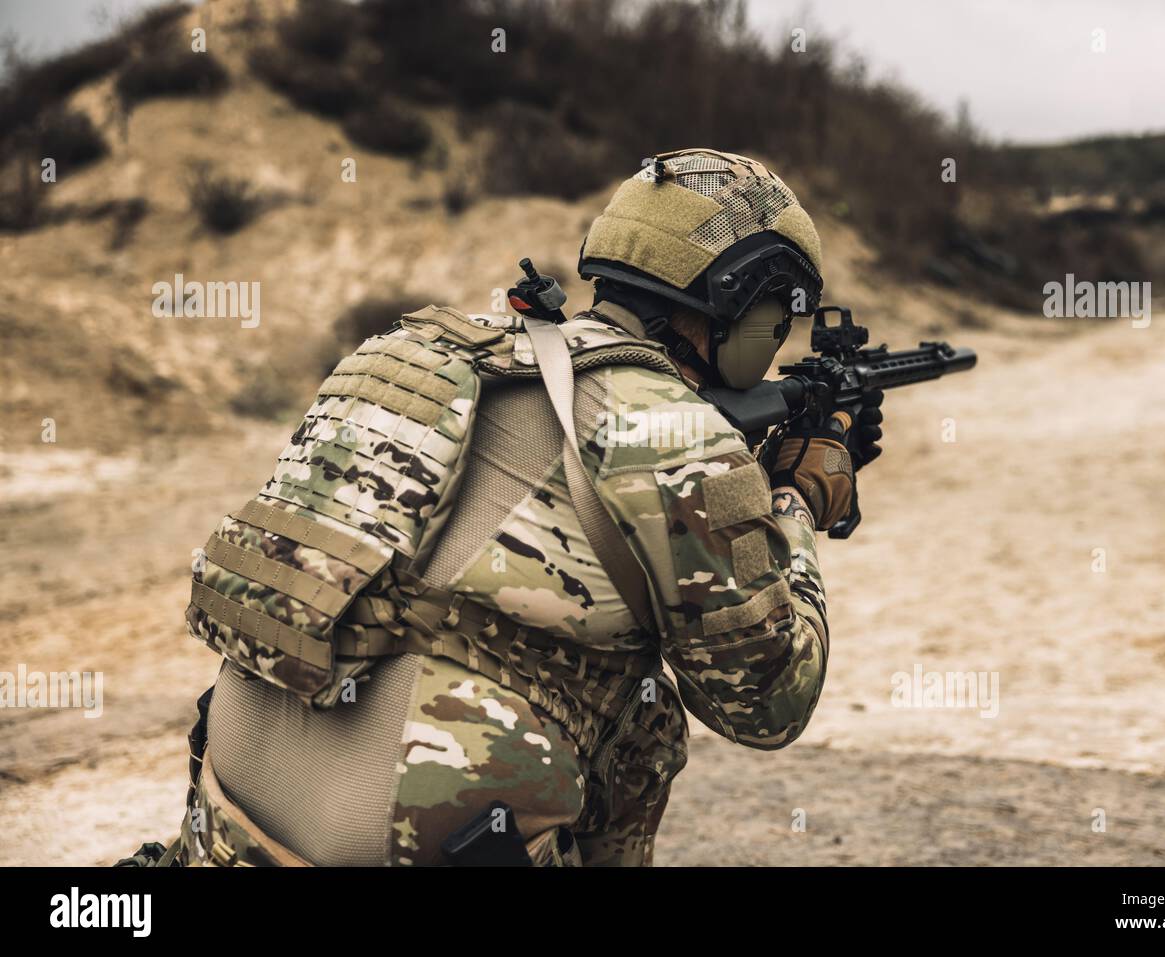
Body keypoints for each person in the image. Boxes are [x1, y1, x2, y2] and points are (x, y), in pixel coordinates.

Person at [174, 148, 884, 867]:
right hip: (413, 846)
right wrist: (795, 498)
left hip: (228, 821)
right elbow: (769, 703)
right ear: (747, 305)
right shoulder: (677, 436)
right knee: (645, 710)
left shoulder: (418, 355)